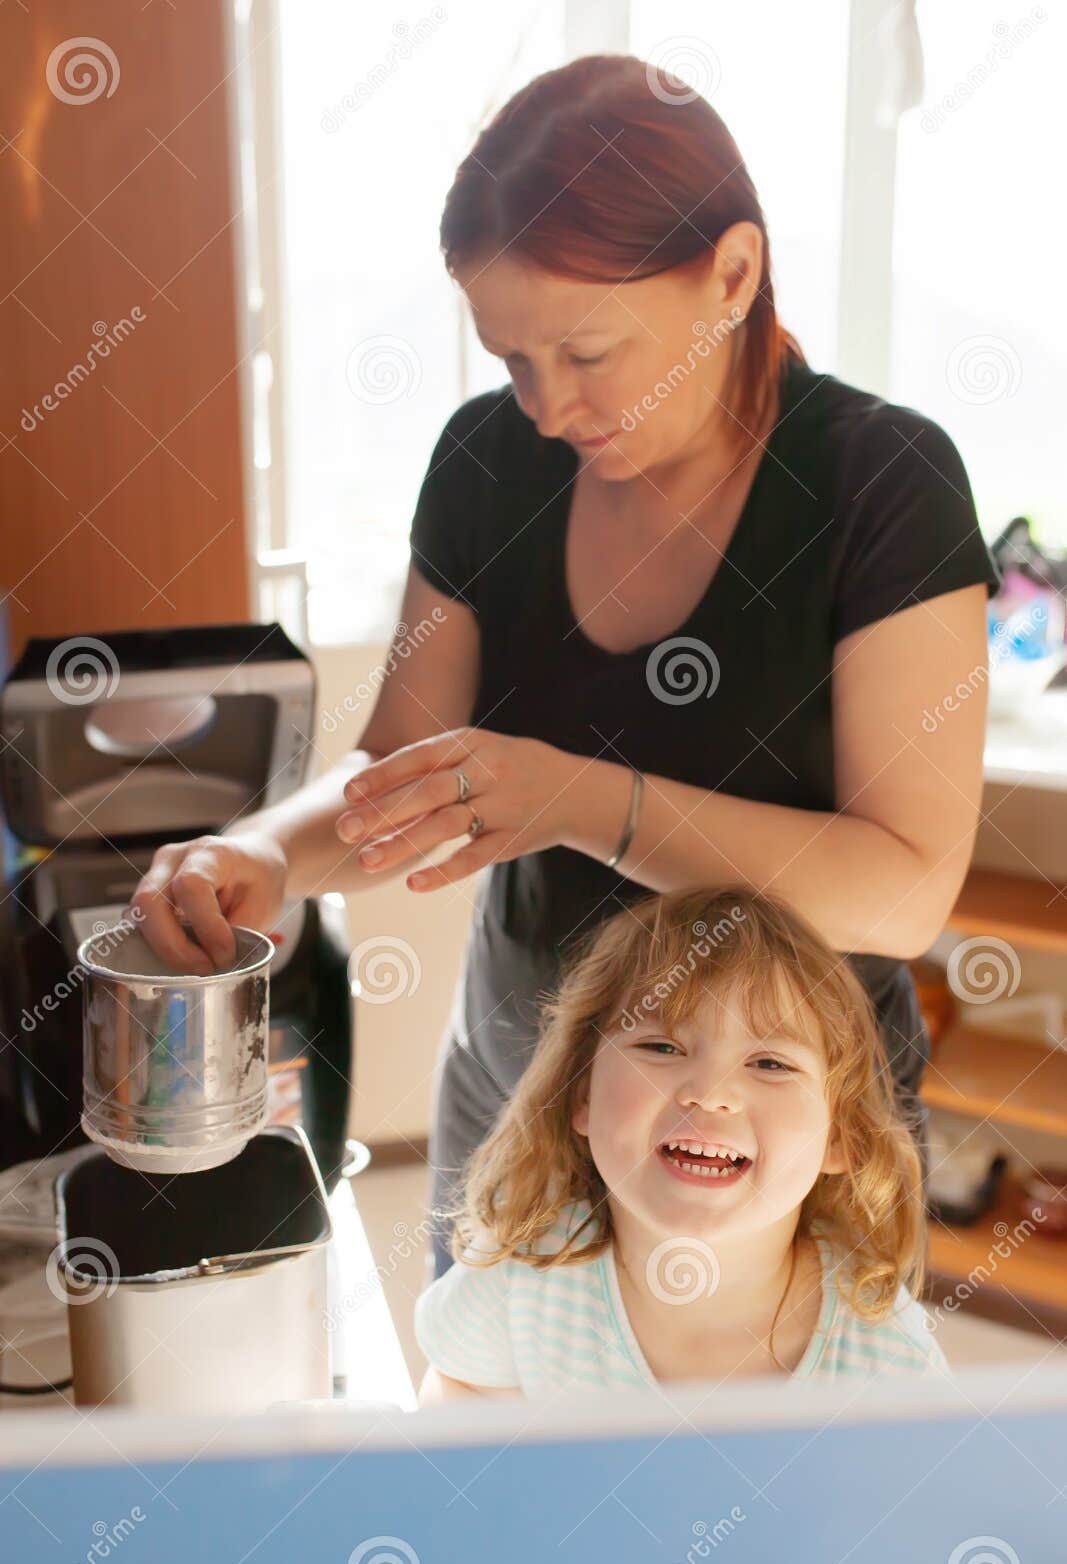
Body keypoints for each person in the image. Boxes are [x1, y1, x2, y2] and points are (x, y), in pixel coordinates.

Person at [131, 55, 1000, 1283]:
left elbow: (901, 888)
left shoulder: (878, 485)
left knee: (755, 1466)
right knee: (486, 1438)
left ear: (733, 274)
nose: (545, 407)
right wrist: (268, 850)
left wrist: (580, 798)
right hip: (521, 1069)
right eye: (511, 360)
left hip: (771, 1128)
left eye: (587, 353)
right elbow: (402, 769)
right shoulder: (491, 461)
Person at [415, 886, 950, 1402]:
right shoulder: (520, 1279)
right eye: (662, 1046)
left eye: (770, 1064)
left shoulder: (884, 1355)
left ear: (841, 1136)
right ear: (582, 1097)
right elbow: (457, 1403)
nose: (711, 1094)